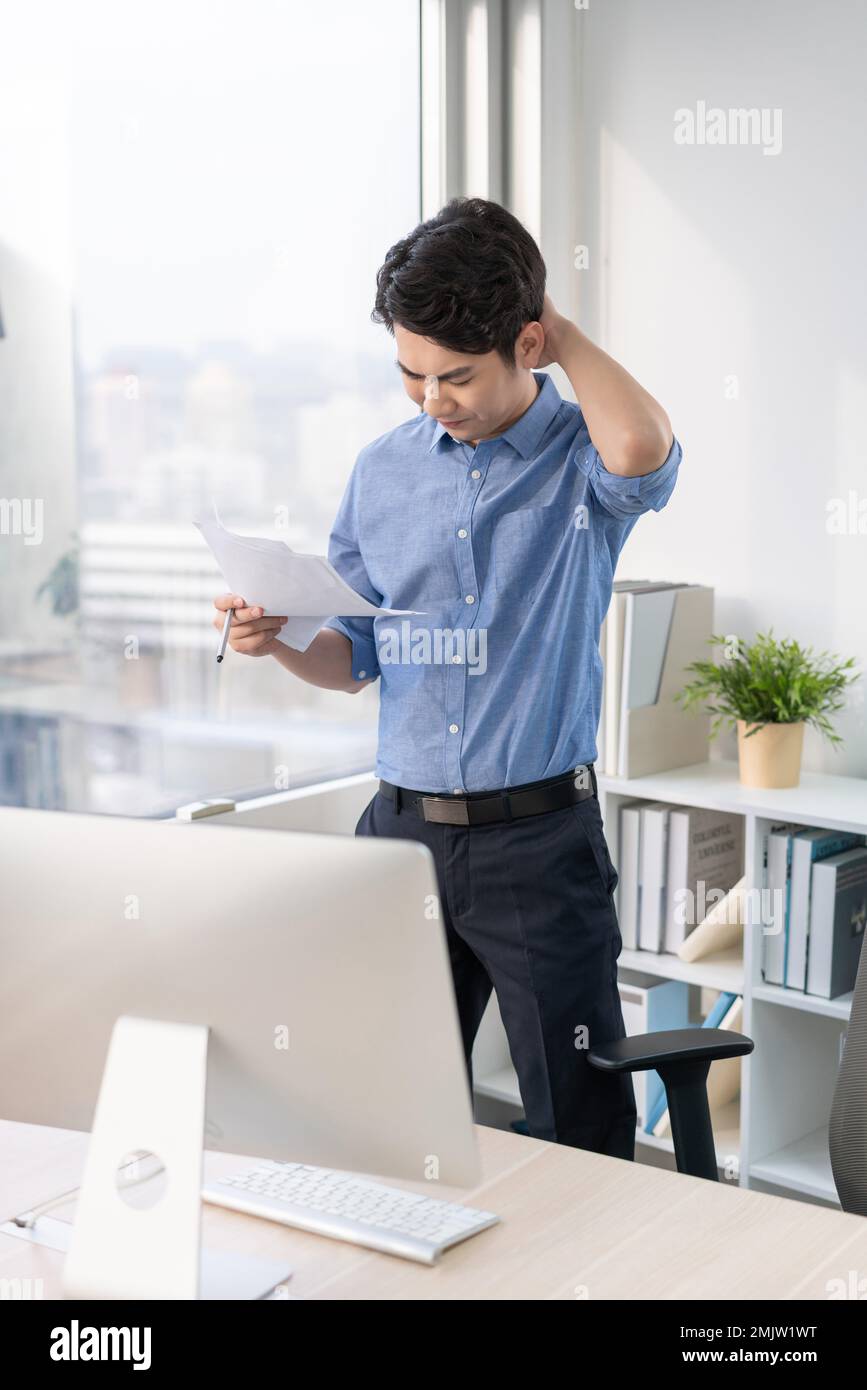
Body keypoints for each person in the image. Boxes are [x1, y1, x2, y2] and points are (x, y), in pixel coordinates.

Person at [213, 197, 682, 1160]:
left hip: (538, 844)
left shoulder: (580, 457)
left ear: (527, 341)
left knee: (579, 1121)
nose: (432, 399)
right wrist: (279, 639)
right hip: (399, 837)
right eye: (410, 374)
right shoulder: (382, 471)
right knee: (380, 1105)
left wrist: (566, 330)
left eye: (456, 376)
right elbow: (353, 659)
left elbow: (642, 453)